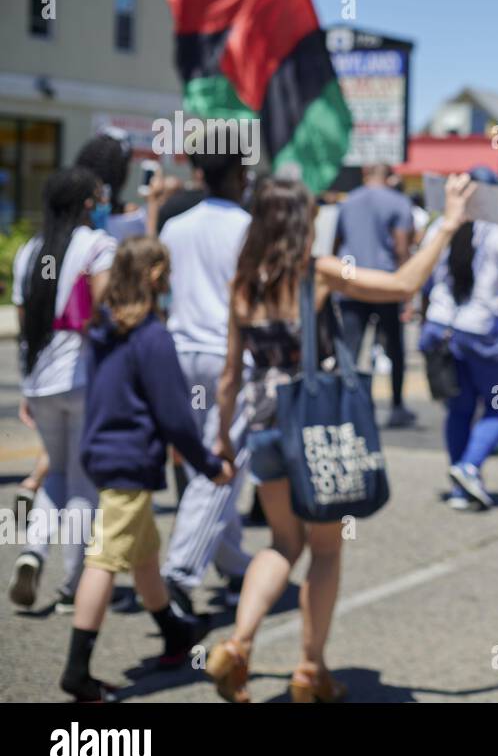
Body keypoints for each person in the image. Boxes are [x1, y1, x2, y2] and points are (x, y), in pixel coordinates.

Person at [204, 173, 474, 703]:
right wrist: (446, 227)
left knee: (282, 543)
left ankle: (237, 645)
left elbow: (230, 375)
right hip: (315, 427)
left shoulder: (242, 283)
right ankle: (309, 670)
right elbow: (401, 287)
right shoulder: (316, 273)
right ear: (302, 223)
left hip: (262, 427)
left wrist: (222, 440)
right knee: (325, 550)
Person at [59, 237, 234, 702]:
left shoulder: (102, 327)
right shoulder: (153, 336)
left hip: (102, 449)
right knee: (106, 559)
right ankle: (77, 670)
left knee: (143, 553)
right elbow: (175, 414)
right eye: (168, 273)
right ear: (156, 276)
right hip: (129, 458)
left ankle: (175, 634)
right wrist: (210, 465)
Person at [8, 168, 116, 613]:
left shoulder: (29, 252)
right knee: (81, 482)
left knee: (55, 474)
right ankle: (73, 584)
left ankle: (33, 550)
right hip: (84, 377)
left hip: (41, 378)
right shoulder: (98, 246)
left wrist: (28, 389)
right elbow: (105, 310)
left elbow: (22, 323)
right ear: (87, 205)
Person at [158, 151, 254, 615]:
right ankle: (178, 574)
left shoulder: (175, 227)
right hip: (228, 357)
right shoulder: (247, 227)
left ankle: (236, 568)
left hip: (180, 354)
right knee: (219, 466)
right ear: (238, 175)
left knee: (207, 466)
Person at [420, 167, 498, 511]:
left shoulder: (438, 228)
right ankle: (468, 467)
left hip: (441, 331)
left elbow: (424, 283)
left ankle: (461, 489)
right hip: (485, 334)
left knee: (459, 408)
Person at [333, 162, 417, 429]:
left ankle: (344, 406)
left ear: (365, 174)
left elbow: (336, 245)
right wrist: (408, 294)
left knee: (349, 350)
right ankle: (396, 406)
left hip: (352, 285)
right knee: (394, 350)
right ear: (389, 177)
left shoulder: (347, 203)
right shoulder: (399, 202)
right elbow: (402, 250)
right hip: (385, 285)